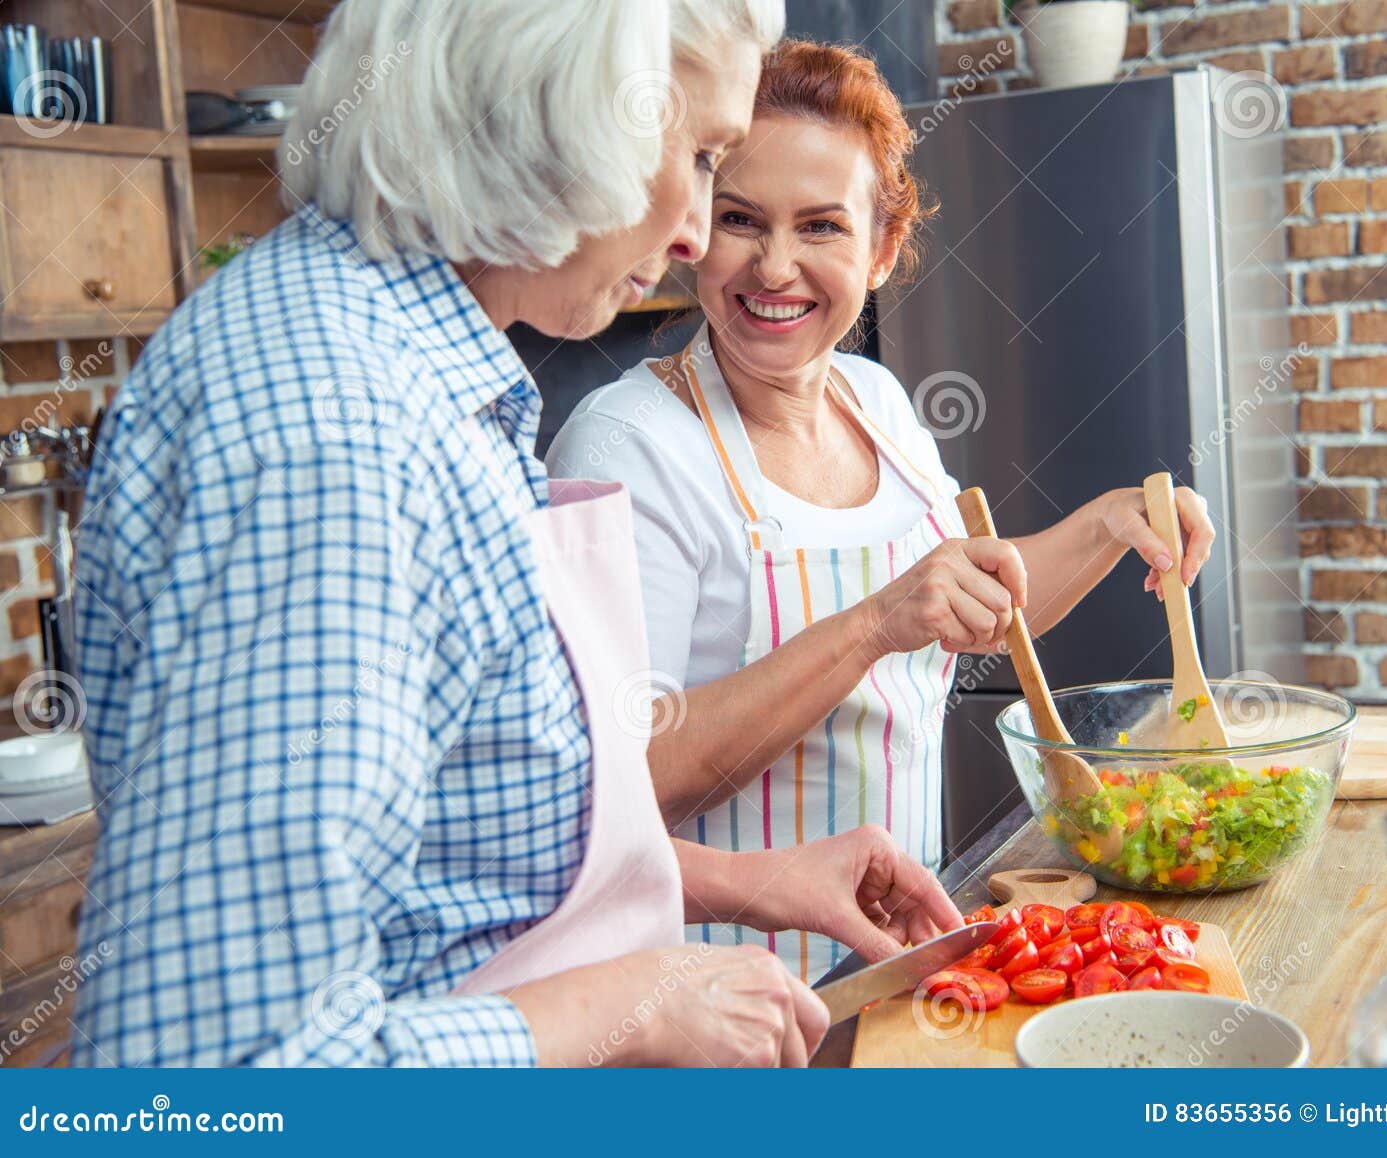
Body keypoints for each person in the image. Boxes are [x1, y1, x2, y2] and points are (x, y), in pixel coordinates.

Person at [70, 1, 958, 1069]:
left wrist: (744, 881)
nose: (692, 234)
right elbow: (225, 1080)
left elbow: (449, 855)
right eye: (696, 156)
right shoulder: (340, 439)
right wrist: (636, 1001)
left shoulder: (415, 363)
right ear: (549, 116)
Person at [547, 40, 1215, 982]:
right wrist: (872, 626)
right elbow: (622, 778)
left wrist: (1109, 523)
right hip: (722, 997)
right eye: (741, 219)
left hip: (899, 962)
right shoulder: (626, 446)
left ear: (883, 251)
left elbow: (981, 607)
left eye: (821, 226)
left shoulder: (876, 401)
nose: (774, 267)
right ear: (694, 229)